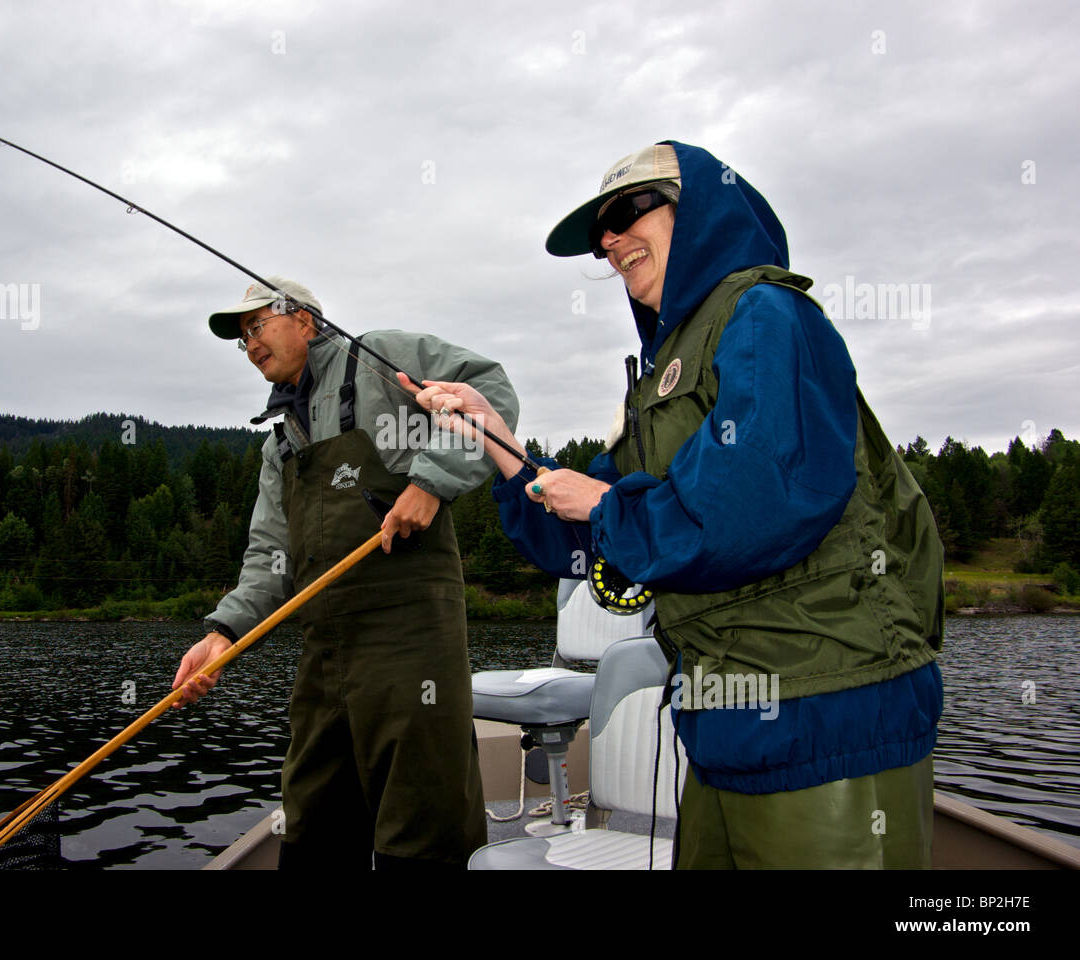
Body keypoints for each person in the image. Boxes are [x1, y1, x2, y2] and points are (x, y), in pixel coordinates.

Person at [401, 142, 945, 869]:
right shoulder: (659, 382)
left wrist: (601, 504)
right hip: (727, 733)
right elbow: (591, 539)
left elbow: (752, 509)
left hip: (829, 716)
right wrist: (495, 439)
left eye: (627, 213)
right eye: (601, 234)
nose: (609, 241)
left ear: (699, 214)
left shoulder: (766, 315)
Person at [171, 277, 519, 869]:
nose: (250, 344)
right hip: (325, 645)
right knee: (313, 815)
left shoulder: (380, 357)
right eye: (241, 339)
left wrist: (431, 482)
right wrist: (221, 635)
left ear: (304, 320)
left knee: (423, 817)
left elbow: (489, 390)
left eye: (256, 326)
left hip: (411, 631)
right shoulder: (277, 442)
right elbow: (268, 555)